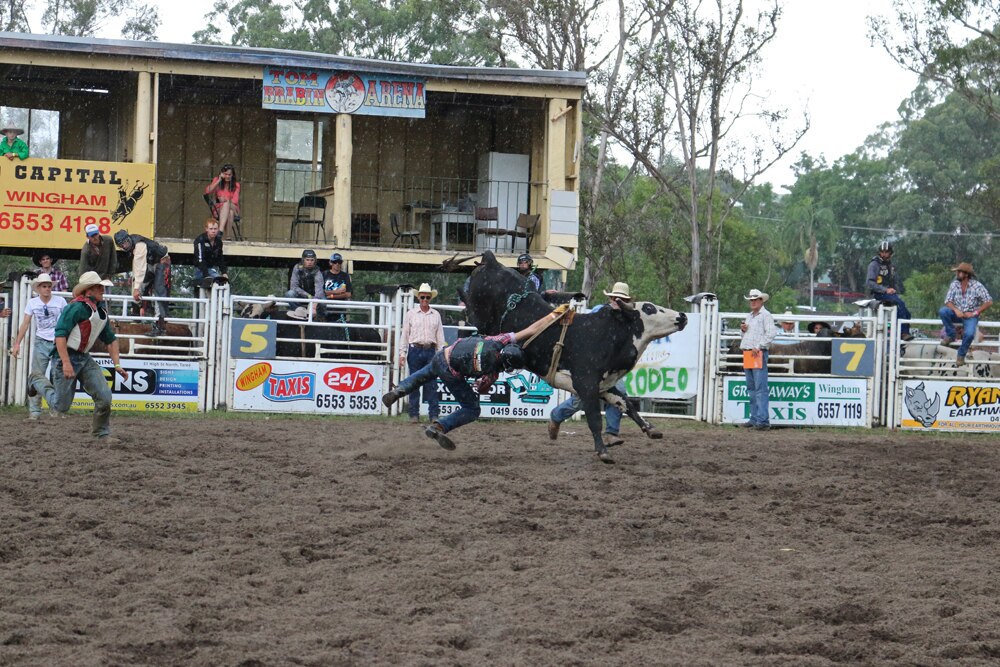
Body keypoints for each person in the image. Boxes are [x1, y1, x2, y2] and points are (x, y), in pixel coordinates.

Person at [382, 311, 557, 450]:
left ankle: (400, 389)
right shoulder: (492, 372)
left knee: (425, 373)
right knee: (472, 409)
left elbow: (530, 330)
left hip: (443, 355)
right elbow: (481, 389)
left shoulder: (498, 340)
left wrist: (553, 315)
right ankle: (439, 427)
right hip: (452, 372)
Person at [26, 272, 128, 440]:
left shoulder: (100, 312)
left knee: (104, 397)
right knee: (60, 406)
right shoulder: (75, 308)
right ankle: (35, 378)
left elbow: (111, 340)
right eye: (99, 287)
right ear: (89, 290)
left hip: (83, 358)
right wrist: (66, 363)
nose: (103, 289)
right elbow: (60, 335)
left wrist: (117, 365)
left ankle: (101, 434)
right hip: (66, 357)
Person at [547, 282, 635, 447]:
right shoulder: (598, 312)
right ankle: (556, 416)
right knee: (580, 399)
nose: (618, 300)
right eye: (615, 297)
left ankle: (611, 433)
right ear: (610, 298)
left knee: (620, 392)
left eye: (621, 299)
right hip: (590, 365)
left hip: (610, 366)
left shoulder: (627, 319)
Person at [10, 273, 68, 420]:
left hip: (57, 342)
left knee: (57, 376)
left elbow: (66, 321)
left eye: (49, 286)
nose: (47, 289)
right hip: (41, 340)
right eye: (44, 286)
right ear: (38, 288)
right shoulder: (33, 303)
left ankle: (56, 409)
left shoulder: (60, 301)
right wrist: (17, 343)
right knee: (37, 375)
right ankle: (35, 411)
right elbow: (25, 323)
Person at [398, 283, 447, 424]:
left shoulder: (436, 314)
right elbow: (405, 334)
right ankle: (414, 414)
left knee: (431, 384)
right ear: (418, 298)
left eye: (427, 297)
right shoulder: (411, 314)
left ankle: (433, 415)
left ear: (430, 298)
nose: (425, 300)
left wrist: (441, 354)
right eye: (422, 297)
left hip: (430, 350)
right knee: (414, 383)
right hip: (415, 349)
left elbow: (440, 337)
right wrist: (402, 353)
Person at [114, 229, 171, 337]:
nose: (125, 246)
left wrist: (136, 287)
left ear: (129, 238)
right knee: (140, 286)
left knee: (159, 291)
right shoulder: (134, 246)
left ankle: (159, 326)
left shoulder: (139, 244)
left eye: (126, 242)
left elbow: (139, 266)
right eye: (122, 245)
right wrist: (136, 284)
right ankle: (136, 318)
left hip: (161, 261)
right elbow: (137, 265)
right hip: (149, 263)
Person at [939, 262, 992, 367]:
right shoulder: (954, 284)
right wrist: (956, 310)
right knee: (943, 311)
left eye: (959, 272)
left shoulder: (977, 286)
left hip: (970, 316)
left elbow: (989, 301)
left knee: (969, 334)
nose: (957, 273)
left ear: (966, 274)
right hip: (957, 313)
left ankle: (961, 354)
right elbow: (948, 301)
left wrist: (975, 312)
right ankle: (951, 334)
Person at [739, 288, 778, 431]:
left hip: (756, 353)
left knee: (759, 388)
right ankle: (756, 418)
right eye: (751, 300)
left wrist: (759, 346)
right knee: (753, 388)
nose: (753, 302)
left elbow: (772, 333)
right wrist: (743, 330)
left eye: (755, 299)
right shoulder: (750, 316)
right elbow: (746, 336)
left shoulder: (765, 315)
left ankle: (761, 420)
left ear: (761, 301)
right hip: (750, 353)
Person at [866, 240, 913, 340]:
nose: (884, 254)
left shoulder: (891, 265)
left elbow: (894, 281)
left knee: (907, 312)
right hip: (878, 293)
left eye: (886, 252)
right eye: (882, 252)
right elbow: (870, 283)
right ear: (879, 252)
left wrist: (896, 290)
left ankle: (904, 333)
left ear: (891, 253)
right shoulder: (874, 264)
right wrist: (885, 290)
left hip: (890, 293)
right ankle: (903, 333)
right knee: (899, 305)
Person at [204, 163, 240, 238]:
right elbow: (207, 191)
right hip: (219, 209)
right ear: (222, 174)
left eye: (229, 174)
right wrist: (219, 180)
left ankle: (220, 231)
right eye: (225, 174)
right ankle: (228, 237)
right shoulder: (217, 180)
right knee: (230, 212)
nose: (227, 176)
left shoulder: (236, 185)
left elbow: (235, 201)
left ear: (232, 175)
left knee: (227, 204)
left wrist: (224, 200)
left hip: (233, 207)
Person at [286, 249, 324, 317]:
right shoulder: (297, 268)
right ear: (303, 260)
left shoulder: (317, 271)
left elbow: (319, 291)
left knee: (323, 300)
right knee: (289, 294)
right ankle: (299, 312)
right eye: (307, 260)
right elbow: (294, 287)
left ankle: (321, 318)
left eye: (312, 260)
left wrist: (314, 305)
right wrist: (308, 296)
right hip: (302, 296)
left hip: (314, 298)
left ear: (315, 261)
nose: (310, 262)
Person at [193, 218, 228, 288]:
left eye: (215, 229)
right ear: (206, 229)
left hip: (212, 269)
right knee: (218, 283)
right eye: (211, 229)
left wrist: (224, 272)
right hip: (200, 270)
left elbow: (220, 258)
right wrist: (206, 275)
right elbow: (200, 259)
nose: (213, 231)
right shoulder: (200, 240)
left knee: (223, 282)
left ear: (218, 229)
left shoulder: (218, 242)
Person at [322, 252, 353, 319]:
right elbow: (320, 292)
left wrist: (331, 296)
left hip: (340, 308)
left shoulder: (345, 276)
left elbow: (348, 294)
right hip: (325, 308)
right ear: (330, 263)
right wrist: (337, 291)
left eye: (339, 262)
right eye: (335, 262)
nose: (337, 264)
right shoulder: (324, 274)